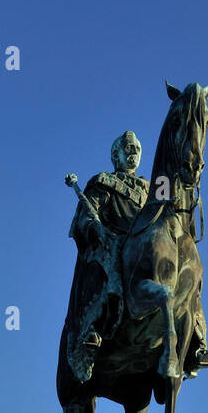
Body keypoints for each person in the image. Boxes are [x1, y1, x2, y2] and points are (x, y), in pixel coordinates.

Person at [63, 131, 150, 383]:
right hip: (111, 242)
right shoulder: (103, 182)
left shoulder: (150, 190)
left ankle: (192, 336)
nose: (133, 152)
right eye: (128, 148)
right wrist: (95, 227)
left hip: (142, 247)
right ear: (116, 155)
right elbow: (86, 216)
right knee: (111, 263)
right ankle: (95, 327)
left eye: (137, 148)